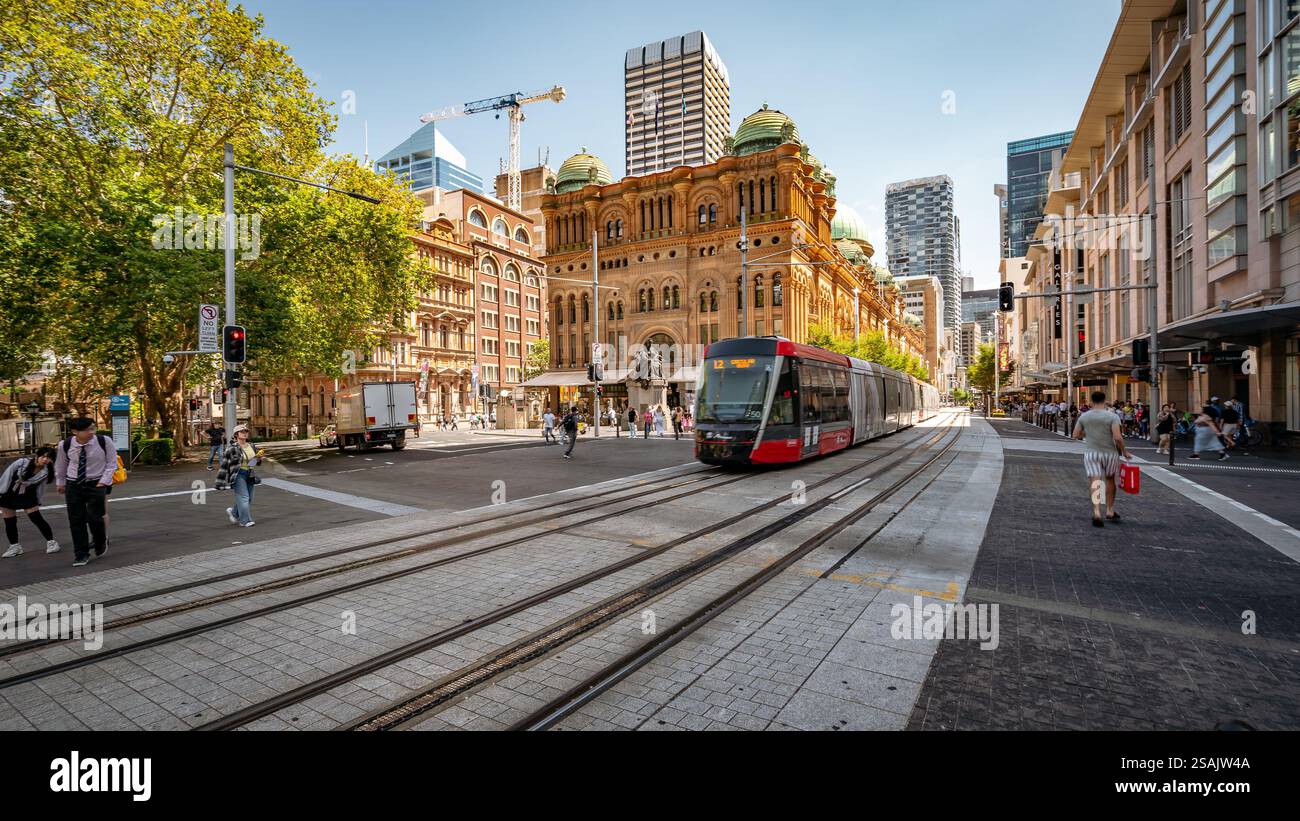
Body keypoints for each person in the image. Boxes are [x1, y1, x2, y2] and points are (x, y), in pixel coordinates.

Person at [55, 418, 117, 567]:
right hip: (74, 483)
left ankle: (100, 540)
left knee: (95, 517)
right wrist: (61, 483)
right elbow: (61, 465)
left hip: (96, 482)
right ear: (75, 432)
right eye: (87, 430)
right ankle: (81, 554)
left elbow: (111, 463)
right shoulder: (65, 444)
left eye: (93, 429)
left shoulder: (104, 441)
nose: (91, 433)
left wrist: (103, 481)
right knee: (76, 520)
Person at [1072, 391, 1130, 527]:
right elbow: (1117, 437)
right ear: (1105, 401)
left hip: (1092, 453)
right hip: (1110, 453)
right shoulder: (1112, 416)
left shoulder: (1084, 416)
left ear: (1091, 401)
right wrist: (1124, 451)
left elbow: (1076, 435)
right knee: (1110, 480)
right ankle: (1109, 510)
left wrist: (1089, 433)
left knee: (1095, 480)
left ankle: (1097, 511)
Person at [1, 447, 60, 558]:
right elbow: (7, 476)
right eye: (43, 456)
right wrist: (1, 491)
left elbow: (40, 488)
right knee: (9, 521)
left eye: (49, 458)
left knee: (36, 518)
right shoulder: (22, 462)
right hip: (10, 492)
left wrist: (38, 500)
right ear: (37, 455)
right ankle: (15, 546)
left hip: (28, 495)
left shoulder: (46, 472)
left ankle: (51, 542)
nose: (45, 460)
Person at [215, 424, 265, 526]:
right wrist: (220, 482)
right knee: (244, 497)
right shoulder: (231, 448)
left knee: (249, 498)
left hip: (250, 474)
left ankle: (234, 512)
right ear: (236, 434)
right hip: (238, 475)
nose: (245, 433)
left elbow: (255, 462)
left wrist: (259, 459)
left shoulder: (252, 446)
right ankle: (245, 521)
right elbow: (224, 465)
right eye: (242, 432)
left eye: (246, 431)